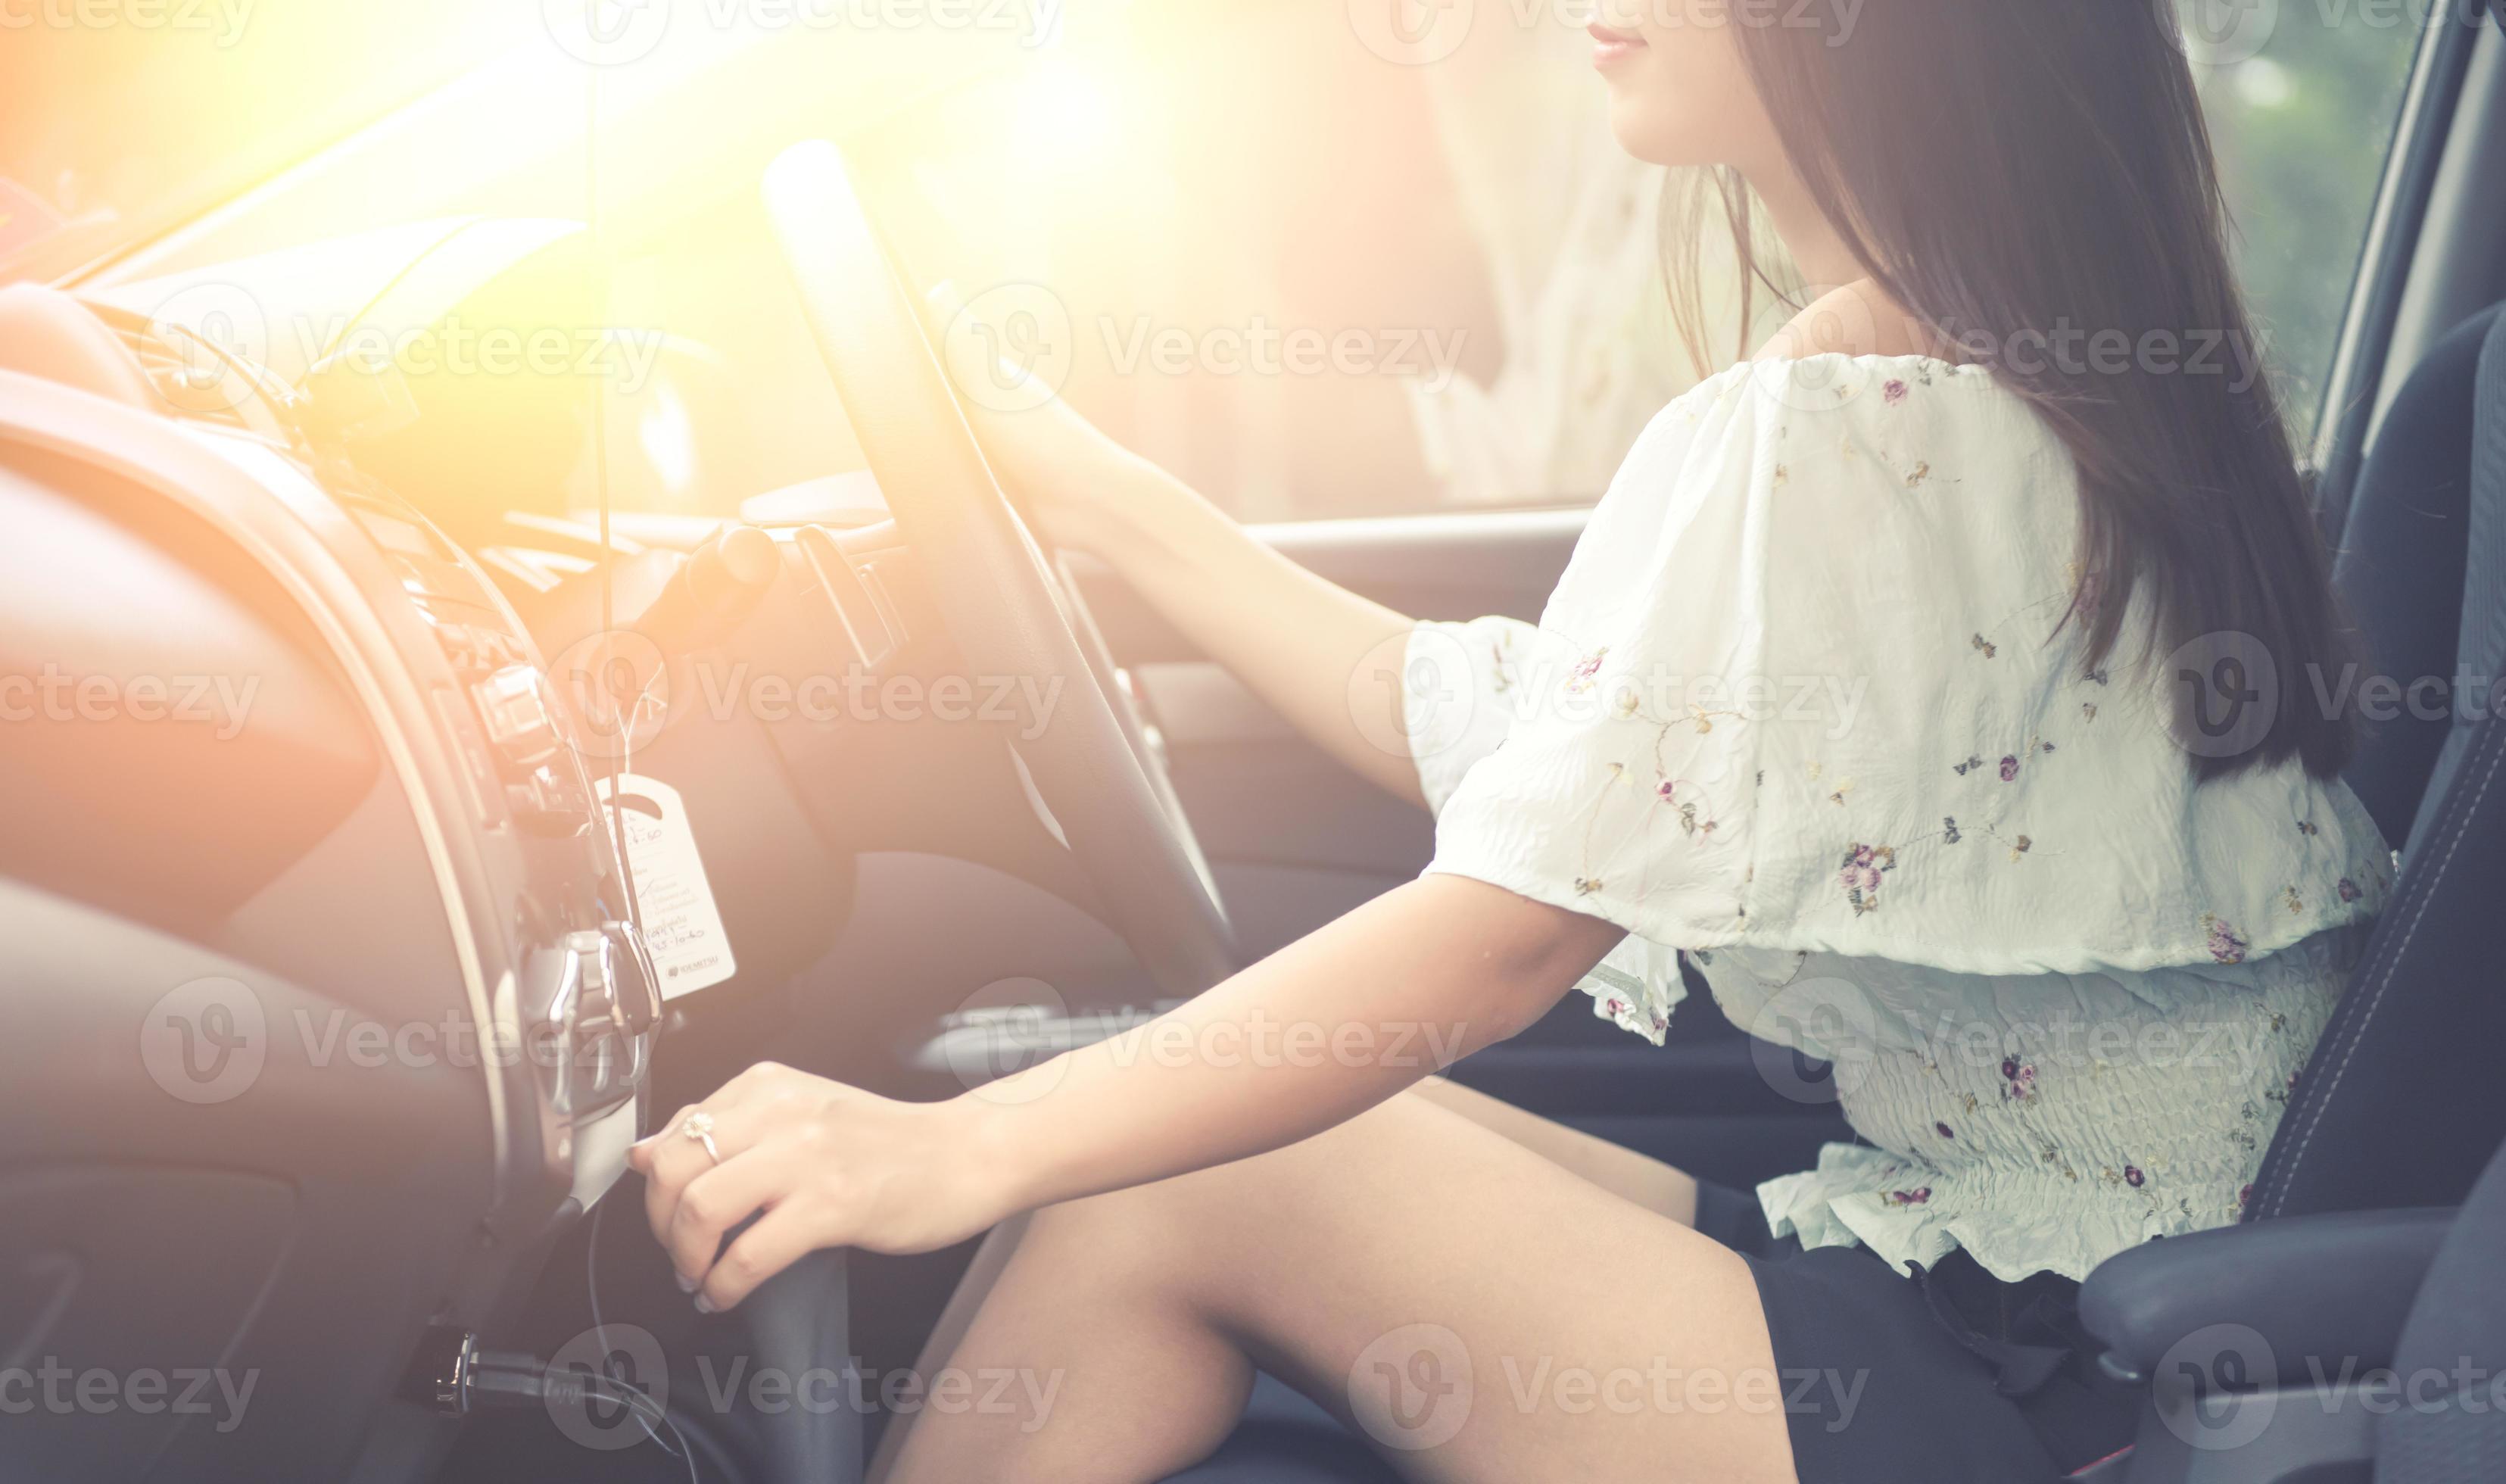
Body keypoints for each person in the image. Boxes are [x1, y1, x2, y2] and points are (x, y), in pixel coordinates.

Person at [632, 5, 2389, 1478]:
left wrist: (955, 1144)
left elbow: (1508, 933)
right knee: (1144, 1154)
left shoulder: (1852, 410)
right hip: (2053, 1291)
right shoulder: (2006, 375)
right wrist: (1101, 500)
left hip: (2057, 1371)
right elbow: (1555, 744)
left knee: (1161, 1175)